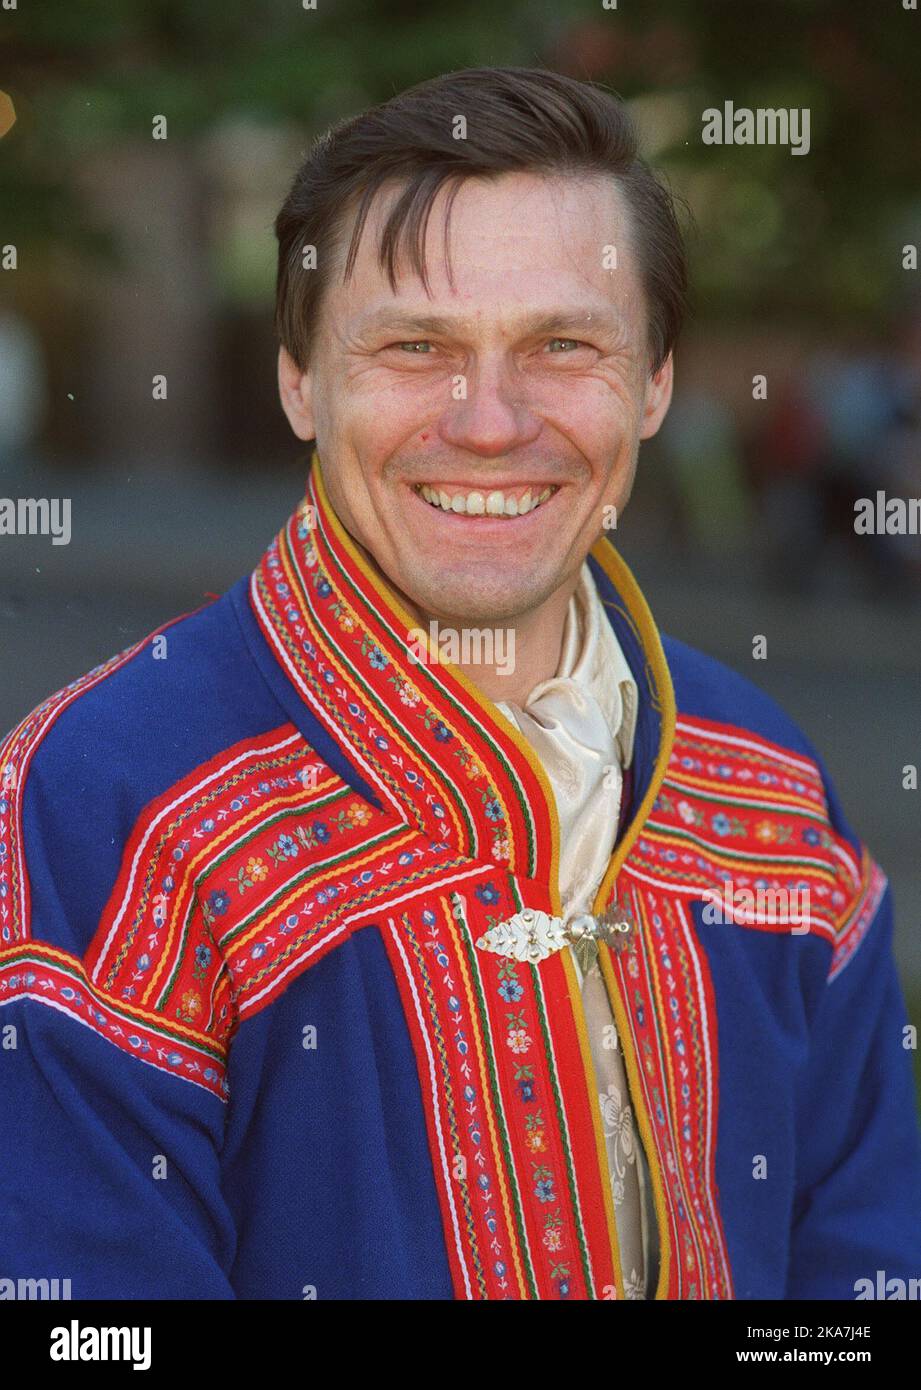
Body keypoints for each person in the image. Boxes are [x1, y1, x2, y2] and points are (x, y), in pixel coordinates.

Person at [1, 67, 919, 1301]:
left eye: (563, 345)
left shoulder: (773, 788)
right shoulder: (98, 804)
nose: (489, 421)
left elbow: (866, 1270)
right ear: (298, 380)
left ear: (653, 384)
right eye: (415, 346)